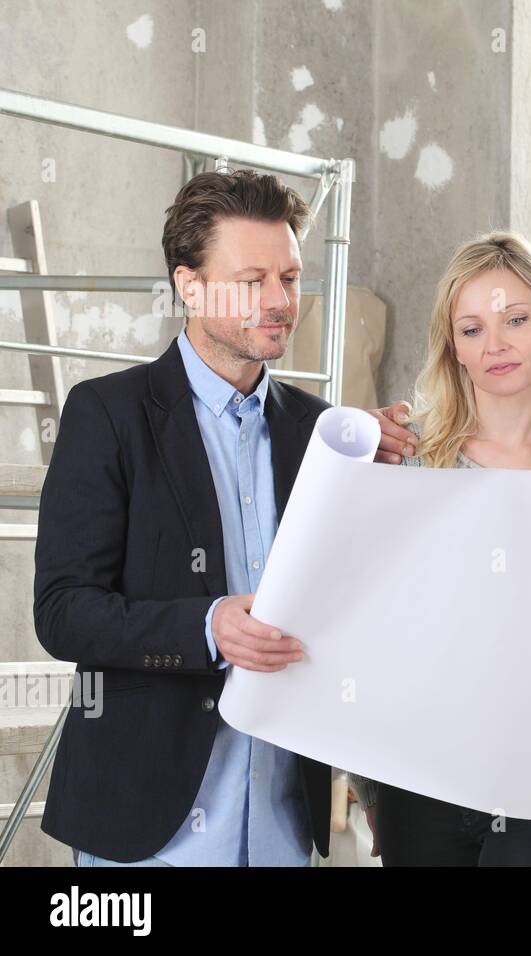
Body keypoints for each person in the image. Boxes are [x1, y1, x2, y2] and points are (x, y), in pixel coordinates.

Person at [34, 169, 335, 865]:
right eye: (251, 280)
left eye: (289, 278)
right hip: (148, 829)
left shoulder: (322, 433)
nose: (279, 301)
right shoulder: (106, 414)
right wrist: (205, 627)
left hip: (283, 824)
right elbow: (63, 610)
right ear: (189, 286)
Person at [350, 231, 531, 866]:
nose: (495, 345)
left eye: (515, 319)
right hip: (423, 778)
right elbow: (370, 625)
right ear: (452, 346)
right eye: (472, 329)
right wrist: (369, 784)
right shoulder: (405, 455)